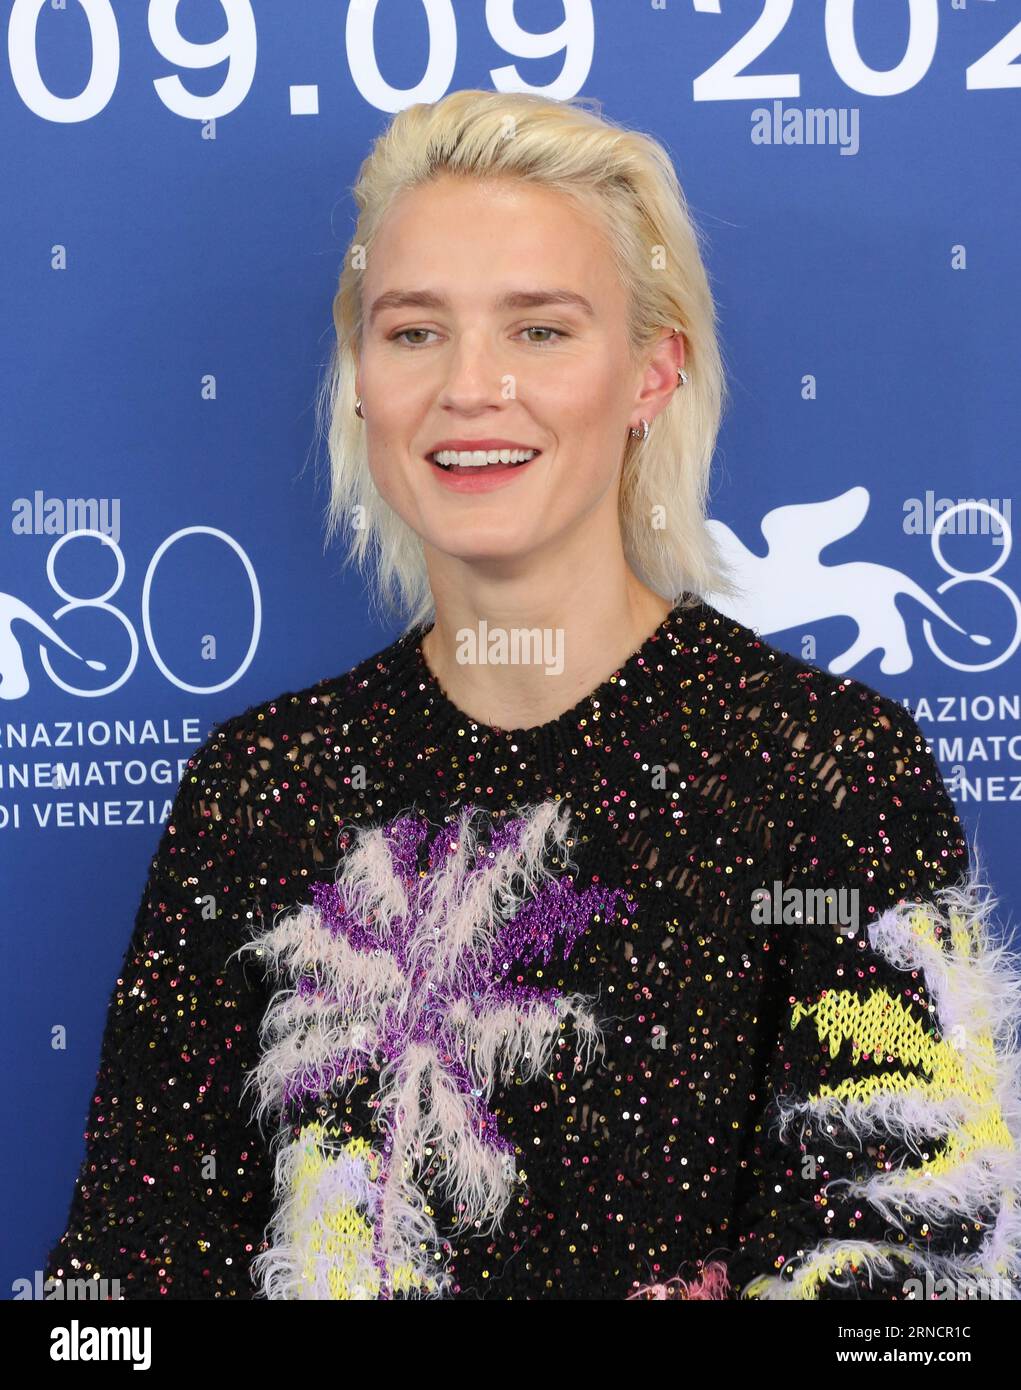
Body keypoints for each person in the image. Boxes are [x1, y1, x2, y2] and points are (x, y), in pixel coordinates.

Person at [46, 89, 1021, 1301]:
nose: (471, 387)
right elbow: (111, 1304)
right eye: (413, 331)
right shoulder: (261, 785)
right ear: (361, 377)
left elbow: (916, 1281)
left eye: (540, 330)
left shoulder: (822, 771)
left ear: (652, 373)